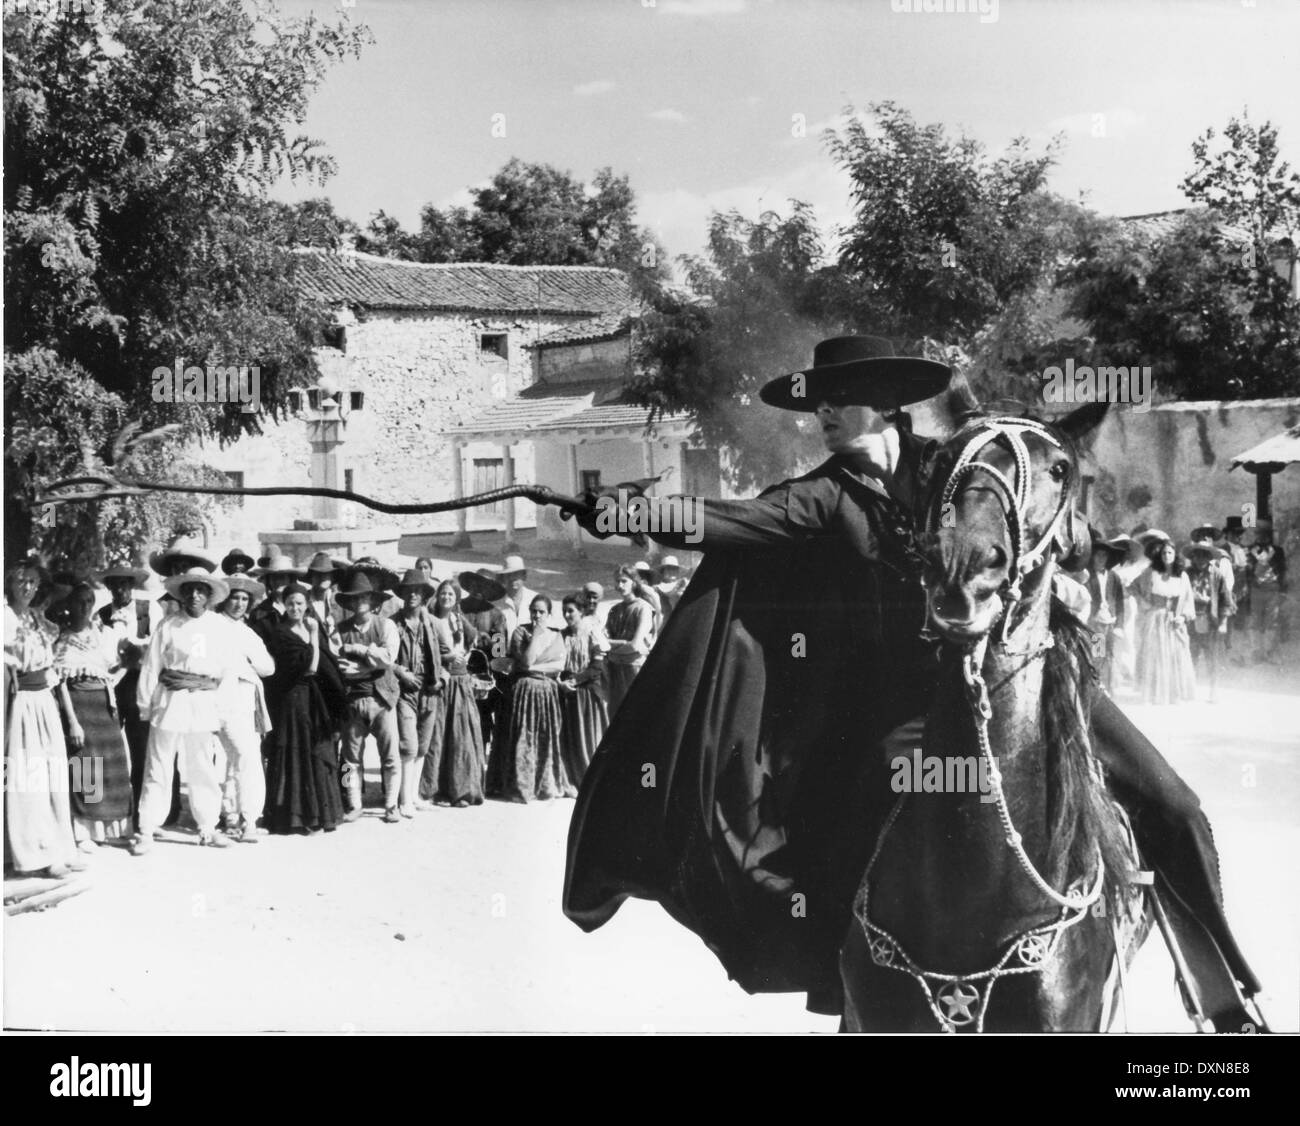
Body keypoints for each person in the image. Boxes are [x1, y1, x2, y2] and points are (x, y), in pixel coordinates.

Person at [564, 335, 1264, 1027]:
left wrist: (1093, 545)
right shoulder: (823, 498)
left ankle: (1222, 997)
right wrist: (622, 513)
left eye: (839, 400)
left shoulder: (957, 466)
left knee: (1175, 808)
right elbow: (726, 521)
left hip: (1032, 677)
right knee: (848, 825)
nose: (823, 414)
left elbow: (1047, 514)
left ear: (886, 404)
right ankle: (862, 985)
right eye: (819, 404)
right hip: (903, 712)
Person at [131, 567, 248, 854]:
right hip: (170, 700)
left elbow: (228, 671)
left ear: (209, 595)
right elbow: (151, 667)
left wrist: (223, 708)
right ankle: (147, 828)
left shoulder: (219, 627)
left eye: (201, 590)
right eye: (190, 590)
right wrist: (145, 704)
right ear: (182, 594)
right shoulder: (168, 626)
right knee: (158, 765)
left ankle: (207, 827)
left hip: (203, 701)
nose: (195, 595)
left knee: (202, 766)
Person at [4, 557, 83, 878]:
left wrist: (69, 716)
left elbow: (51, 671)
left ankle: (60, 848)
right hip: (19, 703)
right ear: (10, 583)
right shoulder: (4, 618)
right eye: (22, 581)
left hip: (43, 703)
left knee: (52, 775)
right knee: (27, 777)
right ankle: (31, 853)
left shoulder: (37, 620)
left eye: (33, 582)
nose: (27, 587)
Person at [261, 583, 350, 834]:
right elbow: (310, 667)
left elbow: (327, 659)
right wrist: (312, 635)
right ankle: (298, 817)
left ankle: (322, 814)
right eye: (290, 603)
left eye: (300, 603)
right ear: (284, 605)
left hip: (315, 698)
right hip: (293, 700)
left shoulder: (314, 627)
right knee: (297, 752)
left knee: (319, 750)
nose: (295, 608)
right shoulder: (281, 634)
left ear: (307, 604)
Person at [51, 582, 134, 849]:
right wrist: (72, 721)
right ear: (70, 606)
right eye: (79, 601)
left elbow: (110, 672)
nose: (85, 606)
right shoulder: (63, 639)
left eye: (89, 601)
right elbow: (60, 682)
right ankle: (85, 831)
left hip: (104, 703)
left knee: (113, 763)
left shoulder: (102, 635)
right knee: (86, 764)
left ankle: (111, 829)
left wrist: (127, 665)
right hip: (79, 703)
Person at [488, 594, 572, 802]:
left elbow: (559, 665)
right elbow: (524, 662)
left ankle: (542, 785)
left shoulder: (556, 635)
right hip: (524, 690)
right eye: (534, 610)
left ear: (549, 614)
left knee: (544, 737)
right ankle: (520, 785)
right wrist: (535, 635)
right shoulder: (521, 632)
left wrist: (534, 667)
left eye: (541, 611)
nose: (537, 615)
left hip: (547, 693)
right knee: (523, 737)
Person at [335, 569, 403, 823]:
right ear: (349, 602)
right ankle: (353, 803)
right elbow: (340, 665)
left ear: (373, 600)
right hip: (353, 699)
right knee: (349, 758)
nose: (359, 601)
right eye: (354, 598)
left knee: (391, 755)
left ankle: (391, 804)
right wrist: (364, 666)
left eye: (364, 597)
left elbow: (388, 658)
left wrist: (360, 652)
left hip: (382, 699)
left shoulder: (386, 625)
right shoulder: (340, 629)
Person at [95, 563, 159, 829]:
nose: (120, 589)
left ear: (132, 585)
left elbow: (157, 648)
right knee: (103, 748)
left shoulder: (148, 610)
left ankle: (142, 813)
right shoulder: (101, 615)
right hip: (109, 686)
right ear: (109, 587)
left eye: (125, 583)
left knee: (141, 748)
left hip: (138, 685)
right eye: (114, 584)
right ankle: (104, 811)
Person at [214, 574, 275, 841]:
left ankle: (248, 817)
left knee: (247, 756)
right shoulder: (213, 625)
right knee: (224, 758)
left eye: (243, 599)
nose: (238, 603)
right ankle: (229, 814)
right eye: (234, 598)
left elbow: (268, 667)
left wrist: (246, 666)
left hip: (244, 697)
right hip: (217, 696)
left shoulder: (249, 632)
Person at [422, 579, 487, 807]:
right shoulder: (442, 617)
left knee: (464, 735)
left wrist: (496, 667)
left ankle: (462, 789)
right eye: (476, 588)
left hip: (471, 679)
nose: (479, 592)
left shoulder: (495, 613)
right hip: (444, 680)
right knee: (440, 735)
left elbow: (494, 642)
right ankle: (438, 789)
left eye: (483, 589)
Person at [390, 570, 446, 816]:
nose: (412, 595)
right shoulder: (392, 623)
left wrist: (442, 679)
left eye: (418, 591)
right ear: (402, 594)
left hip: (430, 689)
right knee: (408, 745)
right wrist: (401, 672)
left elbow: (449, 655)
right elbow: (385, 658)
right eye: (408, 591)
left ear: (424, 595)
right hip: (405, 691)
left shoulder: (434, 623)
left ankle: (413, 793)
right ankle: (403, 800)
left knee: (423, 745)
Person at [1132, 538, 1196, 705]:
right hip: (1155, 617)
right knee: (1154, 655)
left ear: (1175, 555)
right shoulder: (1152, 572)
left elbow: (1189, 600)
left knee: (1175, 655)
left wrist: (1182, 617)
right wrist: (1144, 603)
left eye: (1170, 552)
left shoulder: (1182, 576)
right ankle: (1153, 694)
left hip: (1174, 620)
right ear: (1159, 555)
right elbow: (1134, 587)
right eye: (1163, 553)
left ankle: (1173, 695)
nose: (1167, 556)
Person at [558, 593, 609, 788]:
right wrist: (562, 682)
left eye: (571, 611)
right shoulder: (561, 636)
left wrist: (576, 679)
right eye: (564, 611)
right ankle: (571, 777)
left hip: (586, 692)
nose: (567, 615)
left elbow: (596, 667)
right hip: (567, 691)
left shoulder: (592, 634)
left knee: (588, 737)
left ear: (581, 611)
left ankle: (590, 779)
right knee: (570, 738)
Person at [602, 565, 654, 718]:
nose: (620, 585)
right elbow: (601, 642)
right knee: (614, 714)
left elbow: (635, 645)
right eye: (617, 581)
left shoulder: (643, 608)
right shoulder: (615, 609)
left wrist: (610, 645)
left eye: (624, 581)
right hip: (614, 668)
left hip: (634, 668)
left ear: (634, 582)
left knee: (635, 713)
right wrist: (622, 644)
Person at [1185, 543, 1234, 703]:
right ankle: (1189, 689)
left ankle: (1214, 690)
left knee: (1212, 658)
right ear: (1193, 557)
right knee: (1190, 656)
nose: (1200, 559)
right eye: (1197, 555)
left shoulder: (1216, 575)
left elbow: (1226, 600)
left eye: (1204, 556)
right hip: (1190, 621)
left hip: (1210, 620)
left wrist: (1223, 622)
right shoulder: (1186, 574)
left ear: (1209, 558)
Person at [1083, 534, 1130, 695]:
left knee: (1111, 656)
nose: (1101, 559)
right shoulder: (1086, 575)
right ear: (1093, 556)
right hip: (1095, 622)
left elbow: (1120, 603)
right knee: (1098, 655)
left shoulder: (1113, 576)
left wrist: (1119, 625)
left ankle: (1110, 689)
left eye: (1105, 555)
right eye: (1098, 555)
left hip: (1110, 622)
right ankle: (1098, 688)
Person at [1247, 519, 1287, 664]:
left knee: (1272, 621)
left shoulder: (1277, 551)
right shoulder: (1251, 550)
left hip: (1272, 590)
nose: (1262, 537)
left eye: (1265, 534)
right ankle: (1256, 652)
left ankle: (1270, 652)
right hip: (1256, 590)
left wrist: (1281, 589)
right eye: (1259, 533)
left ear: (1269, 535)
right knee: (1255, 620)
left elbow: (1282, 570)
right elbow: (1248, 570)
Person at [304, 552, 346, 655]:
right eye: (317, 574)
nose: (322, 577)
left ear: (332, 577)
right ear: (311, 577)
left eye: (326, 574)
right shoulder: (304, 601)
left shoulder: (341, 601)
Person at [1220, 516, 1250, 660]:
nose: (1238, 536)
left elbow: (1249, 571)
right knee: (1228, 622)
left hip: (1243, 591)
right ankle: (1227, 653)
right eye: (1235, 533)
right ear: (1228, 534)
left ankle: (1239, 653)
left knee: (1241, 623)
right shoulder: (1222, 550)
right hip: (1229, 591)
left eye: (1240, 534)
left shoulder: (1245, 549)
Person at [494, 555, 538, 636]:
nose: (512, 578)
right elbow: (496, 637)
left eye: (517, 574)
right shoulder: (496, 604)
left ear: (524, 576)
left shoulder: (536, 600)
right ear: (503, 578)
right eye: (509, 574)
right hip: (504, 647)